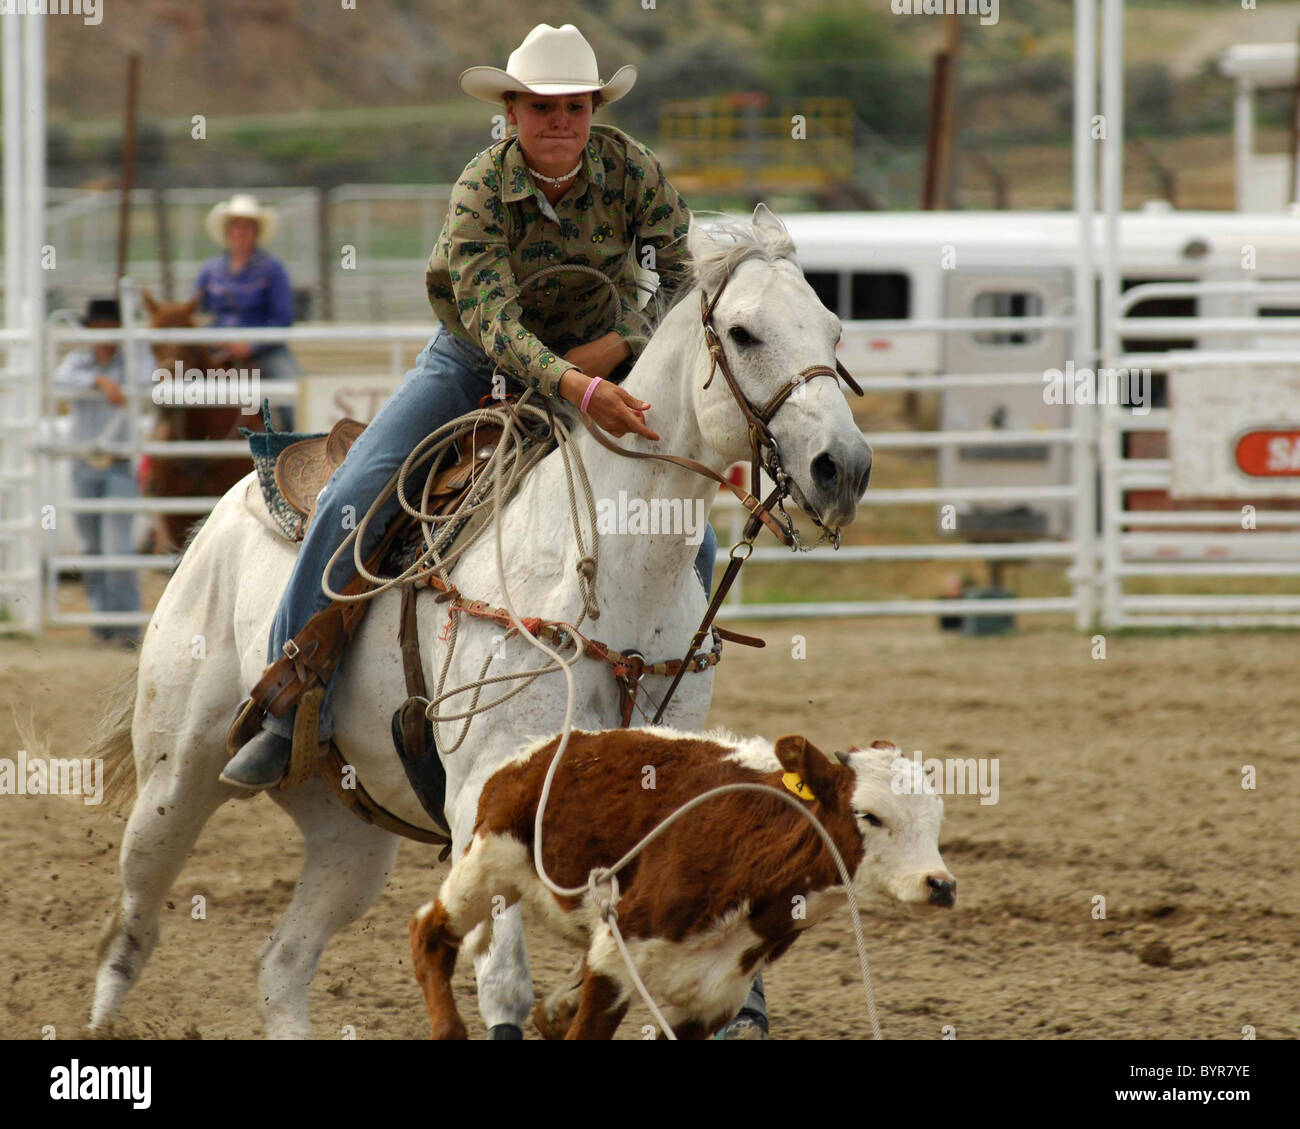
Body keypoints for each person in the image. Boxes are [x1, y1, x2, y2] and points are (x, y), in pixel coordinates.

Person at [51, 298, 152, 648]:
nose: (105, 335)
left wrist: (103, 382)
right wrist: (99, 381)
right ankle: (103, 620)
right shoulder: (80, 360)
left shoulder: (133, 358)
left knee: (117, 547)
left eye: (112, 328)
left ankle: (124, 623)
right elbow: (59, 378)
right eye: (100, 329)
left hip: (119, 463)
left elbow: (146, 380)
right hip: (84, 463)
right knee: (91, 548)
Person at [194, 193, 301, 429]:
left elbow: (283, 318)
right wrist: (216, 338)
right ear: (227, 231)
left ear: (255, 232)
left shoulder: (272, 269)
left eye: (247, 227)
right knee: (180, 382)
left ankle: (299, 441)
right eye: (236, 226)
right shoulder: (211, 270)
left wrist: (251, 344)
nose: (240, 232)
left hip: (264, 349)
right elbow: (199, 312)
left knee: (294, 390)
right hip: (217, 346)